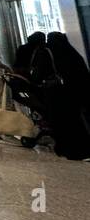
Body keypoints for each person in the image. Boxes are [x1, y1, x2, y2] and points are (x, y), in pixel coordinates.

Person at [35, 32, 90, 160]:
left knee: (58, 122)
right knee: (74, 122)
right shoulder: (72, 53)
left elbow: (38, 75)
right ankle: (81, 150)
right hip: (71, 94)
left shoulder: (45, 53)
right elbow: (83, 75)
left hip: (54, 94)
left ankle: (64, 149)